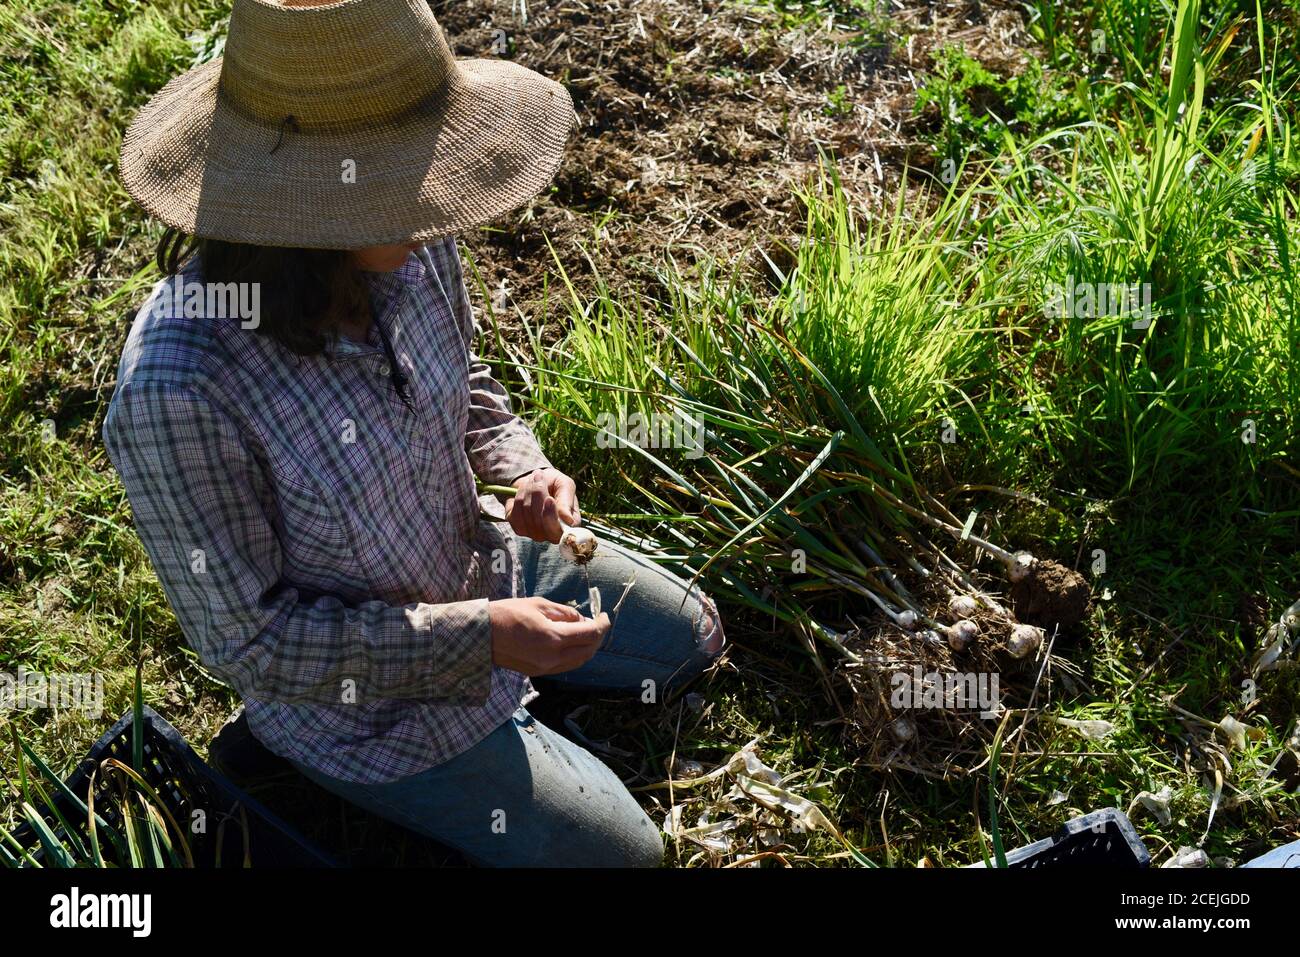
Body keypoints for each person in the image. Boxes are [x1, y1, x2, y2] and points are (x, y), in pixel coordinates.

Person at [105, 0, 723, 867]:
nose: (434, 192)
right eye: (401, 168)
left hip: (476, 549)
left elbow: (463, 379)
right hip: (364, 704)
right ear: (308, 197)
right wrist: (481, 636)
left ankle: (526, 694)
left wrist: (526, 472)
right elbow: (255, 640)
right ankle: (308, 766)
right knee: (627, 859)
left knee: (694, 632)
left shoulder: (398, 235)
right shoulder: (181, 390)